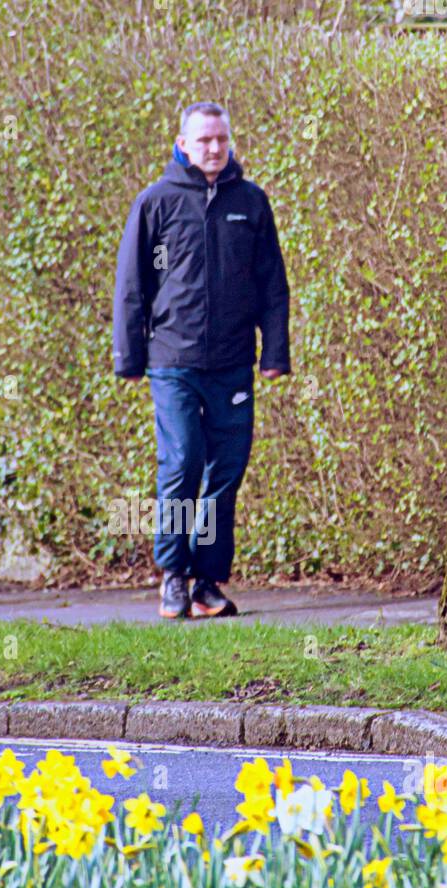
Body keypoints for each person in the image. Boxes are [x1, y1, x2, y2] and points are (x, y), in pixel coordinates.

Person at [112, 101, 291, 619]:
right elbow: (132, 286)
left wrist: (273, 352)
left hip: (234, 363)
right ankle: (172, 574)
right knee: (183, 461)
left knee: (226, 471)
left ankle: (206, 582)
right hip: (173, 362)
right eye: (204, 139)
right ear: (183, 143)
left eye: (222, 139)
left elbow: (273, 286)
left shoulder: (251, 203)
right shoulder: (156, 202)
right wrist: (129, 355)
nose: (214, 148)